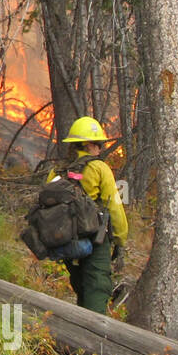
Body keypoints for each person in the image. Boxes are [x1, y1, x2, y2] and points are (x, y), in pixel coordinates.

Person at [47, 117, 129, 313]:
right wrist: (120, 239)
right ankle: (94, 338)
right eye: (98, 144)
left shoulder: (58, 169)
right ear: (89, 144)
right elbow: (115, 207)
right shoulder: (100, 168)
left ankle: (77, 332)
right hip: (95, 240)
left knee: (80, 285)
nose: (100, 149)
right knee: (97, 288)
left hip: (65, 238)